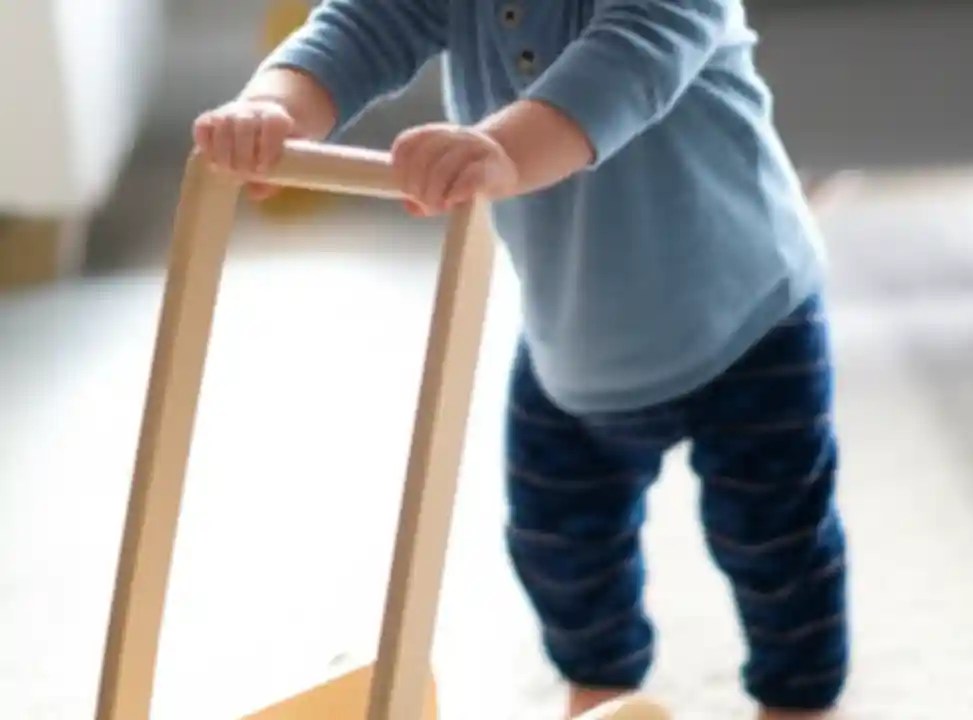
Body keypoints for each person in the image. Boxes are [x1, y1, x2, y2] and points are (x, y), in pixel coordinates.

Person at [192, 1, 848, 717]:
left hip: (747, 319)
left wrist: (502, 148)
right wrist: (273, 107)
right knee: (557, 539)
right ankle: (599, 687)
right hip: (574, 333)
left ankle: (797, 697)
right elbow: (364, 24)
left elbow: (633, 57)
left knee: (772, 537)